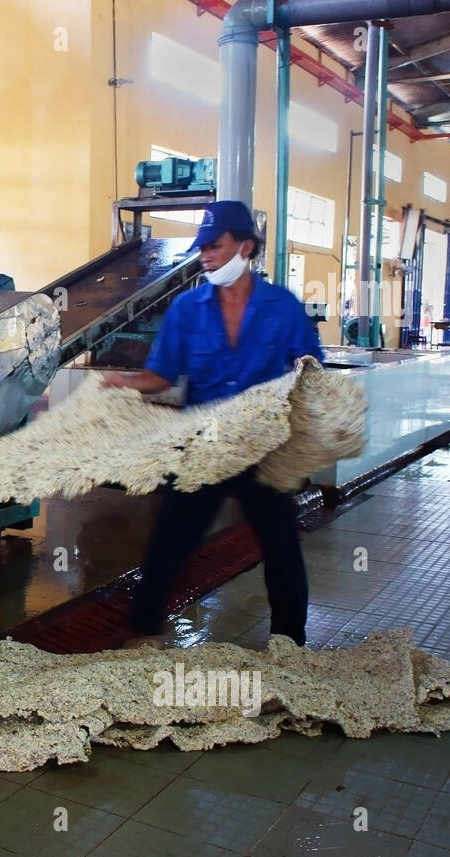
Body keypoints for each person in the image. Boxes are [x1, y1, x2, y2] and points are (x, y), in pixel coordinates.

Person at [102, 200, 325, 647]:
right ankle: (141, 629)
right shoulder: (188, 310)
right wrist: (120, 382)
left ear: (246, 247)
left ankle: (290, 641)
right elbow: (161, 376)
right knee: (171, 538)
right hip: (203, 442)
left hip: (263, 445)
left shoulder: (282, 307)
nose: (206, 255)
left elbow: (310, 374)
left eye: (215, 245)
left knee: (280, 541)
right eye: (202, 246)